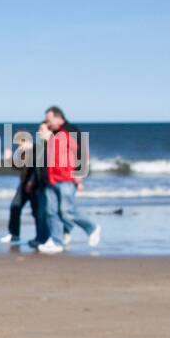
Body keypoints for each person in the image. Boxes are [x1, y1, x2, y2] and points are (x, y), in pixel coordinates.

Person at [39, 106, 101, 250]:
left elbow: (83, 151)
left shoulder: (69, 130)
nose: (47, 123)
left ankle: (91, 228)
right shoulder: (53, 134)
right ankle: (56, 241)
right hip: (52, 179)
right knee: (51, 212)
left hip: (66, 177)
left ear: (58, 117)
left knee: (67, 211)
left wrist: (81, 172)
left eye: (49, 120)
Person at [1, 130, 41, 245]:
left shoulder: (36, 150)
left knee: (36, 212)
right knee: (15, 207)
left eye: (19, 144)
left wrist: (32, 181)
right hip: (23, 184)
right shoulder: (24, 152)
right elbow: (19, 166)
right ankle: (14, 234)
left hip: (34, 186)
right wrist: (9, 159)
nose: (18, 147)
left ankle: (41, 237)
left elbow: (37, 168)